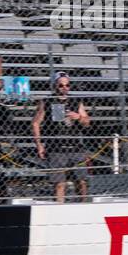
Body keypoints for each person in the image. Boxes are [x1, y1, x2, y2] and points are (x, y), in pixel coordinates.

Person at [32, 73, 91, 202]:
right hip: (56, 146)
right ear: (55, 86)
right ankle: (58, 208)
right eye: (61, 85)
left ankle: (84, 206)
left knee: (81, 181)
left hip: (75, 146)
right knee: (59, 184)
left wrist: (79, 117)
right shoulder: (47, 101)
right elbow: (36, 123)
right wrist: (39, 145)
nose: (65, 88)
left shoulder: (76, 101)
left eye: (67, 85)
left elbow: (87, 122)